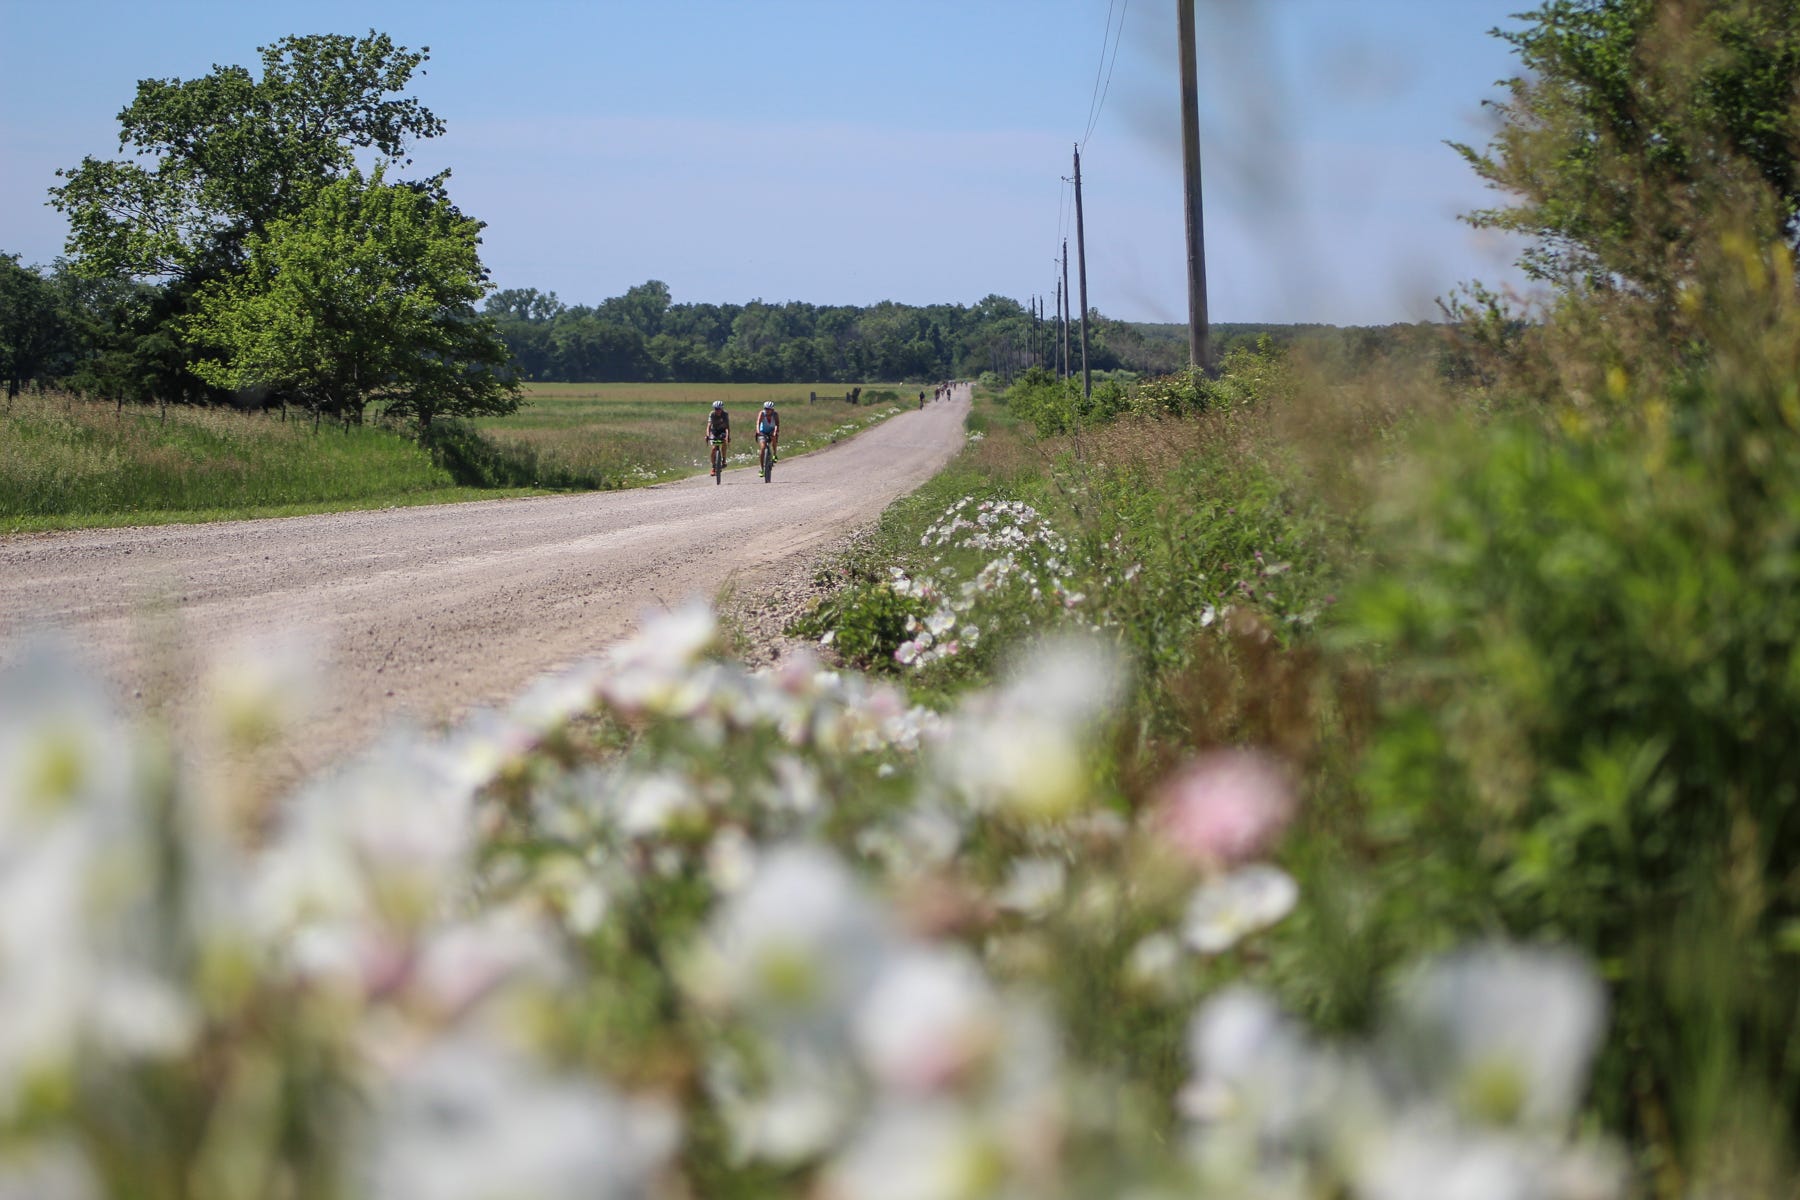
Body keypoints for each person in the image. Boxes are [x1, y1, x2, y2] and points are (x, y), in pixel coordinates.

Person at [705, 399, 730, 480]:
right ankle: (713, 467)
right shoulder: (712, 414)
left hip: (722, 430)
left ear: (722, 409)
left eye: (719, 409)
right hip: (714, 431)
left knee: (724, 443)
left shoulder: (725, 414)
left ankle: (724, 460)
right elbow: (709, 426)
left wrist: (727, 436)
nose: (718, 411)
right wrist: (707, 435)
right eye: (716, 409)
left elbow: (727, 427)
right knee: (713, 449)